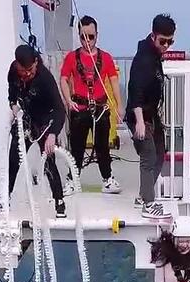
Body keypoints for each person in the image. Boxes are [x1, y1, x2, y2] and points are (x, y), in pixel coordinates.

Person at [60, 16, 122, 196]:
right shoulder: (72, 57)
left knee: (102, 146)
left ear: (97, 35)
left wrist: (119, 105)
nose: (87, 41)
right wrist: (68, 100)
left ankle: (107, 179)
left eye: (91, 36)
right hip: (79, 108)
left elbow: (114, 82)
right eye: (83, 37)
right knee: (77, 147)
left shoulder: (106, 58)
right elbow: (64, 79)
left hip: (101, 109)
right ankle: (72, 180)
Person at [126, 13, 176, 222]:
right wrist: (138, 121)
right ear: (153, 36)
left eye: (170, 41)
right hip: (140, 115)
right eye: (162, 41)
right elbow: (135, 90)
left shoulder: (155, 55)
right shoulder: (144, 59)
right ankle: (148, 202)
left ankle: (143, 194)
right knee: (148, 156)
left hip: (152, 114)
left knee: (160, 153)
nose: (166, 46)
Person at [8, 44, 66, 218]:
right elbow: (11, 92)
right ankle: (6, 196)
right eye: (23, 71)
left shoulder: (45, 78)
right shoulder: (13, 72)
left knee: (48, 161)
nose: (27, 74)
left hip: (44, 120)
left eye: (30, 70)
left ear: (35, 62)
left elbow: (59, 109)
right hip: (26, 117)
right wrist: (13, 106)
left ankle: (59, 201)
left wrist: (53, 134)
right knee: (14, 157)